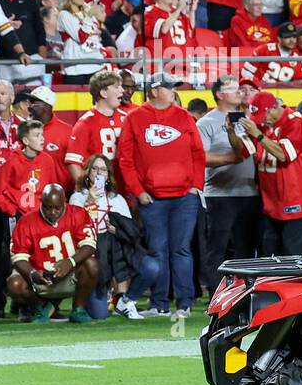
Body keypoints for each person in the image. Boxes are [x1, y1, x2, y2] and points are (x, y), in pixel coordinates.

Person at [117, 73, 206, 318]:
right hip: (152, 198)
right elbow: (125, 159)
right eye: (168, 88)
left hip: (183, 197)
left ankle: (185, 303)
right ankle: (160, 303)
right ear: (154, 91)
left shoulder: (184, 116)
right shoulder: (134, 118)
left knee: (181, 250)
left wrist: (195, 185)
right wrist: (138, 191)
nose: (173, 92)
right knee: (158, 250)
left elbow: (198, 153)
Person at [68, 153, 153, 320]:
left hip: (118, 250)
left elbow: (131, 232)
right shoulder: (78, 197)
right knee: (99, 314)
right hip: (92, 253)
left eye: (103, 170)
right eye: (95, 169)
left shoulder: (117, 199)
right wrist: (91, 198)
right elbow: (73, 226)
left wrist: (116, 230)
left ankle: (125, 300)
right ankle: (102, 296)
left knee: (152, 267)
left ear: (108, 175)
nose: (99, 173)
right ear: (88, 172)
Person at [197, 77, 260, 292]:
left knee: (246, 246)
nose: (238, 92)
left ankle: (244, 291)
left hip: (250, 192)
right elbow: (200, 157)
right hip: (219, 194)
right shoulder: (206, 122)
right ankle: (216, 292)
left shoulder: (249, 118)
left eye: (238, 88)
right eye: (231, 89)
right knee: (218, 246)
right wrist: (232, 158)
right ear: (219, 95)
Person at [238, 90, 302, 256]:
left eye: (264, 116)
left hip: (294, 200)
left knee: (292, 254)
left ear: (274, 108)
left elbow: (284, 154)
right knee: (269, 253)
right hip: (271, 202)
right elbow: (242, 150)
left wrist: (258, 135)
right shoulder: (263, 125)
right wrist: (232, 132)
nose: (262, 121)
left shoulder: (294, 122)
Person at [7, 183, 98, 324]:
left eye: (57, 208)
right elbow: (18, 258)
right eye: (48, 207)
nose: (53, 212)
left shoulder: (78, 214)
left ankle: (78, 309)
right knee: (15, 284)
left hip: (70, 275)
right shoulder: (26, 221)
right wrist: (33, 274)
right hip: (41, 278)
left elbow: (90, 245)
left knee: (92, 264)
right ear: (41, 203)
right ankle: (42, 307)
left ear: (65, 203)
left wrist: (71, 262)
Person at [65, 68, 125, 184]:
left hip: (123, 187)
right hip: (99, 188)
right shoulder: (85, 123)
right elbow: (73, 162)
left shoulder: (126, 118)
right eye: (117, 87)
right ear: (103, 93)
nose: (122, 90)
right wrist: (87, 190)